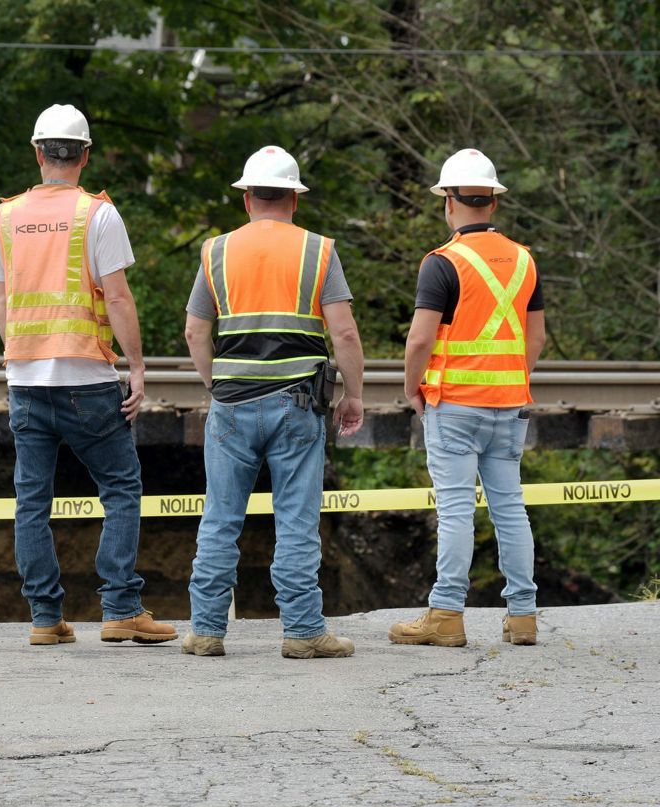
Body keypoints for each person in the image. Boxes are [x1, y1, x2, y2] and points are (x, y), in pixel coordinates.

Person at [0, 103, 177, 647]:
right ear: (85, 155)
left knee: (31, 502)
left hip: (25, 379)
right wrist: (136, 367)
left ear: (38, 152)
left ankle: (46, 619)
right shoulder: (98, 215)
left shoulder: (6, 217)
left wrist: (21, 352)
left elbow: (0, 298)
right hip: (88, 378)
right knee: (120, 487)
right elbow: (116, 295)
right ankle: (120, 609)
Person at [182, 146, 365, 659]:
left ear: (246, 199)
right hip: (298, 404)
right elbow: (345, 334)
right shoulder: (318, 251)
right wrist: (354, 396)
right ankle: (304, 631)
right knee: (296, 519)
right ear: (294, 199)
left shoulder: (215, 252)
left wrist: (215, 385)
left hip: (231, 406)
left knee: (220, 518)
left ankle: (206, 630)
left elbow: (196, 331)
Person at [389, 148, 545, 648]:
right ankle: (523, 616)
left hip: (454, 403)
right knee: (510, 506)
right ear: (493, 202)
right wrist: (508, 379)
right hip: (509, 405)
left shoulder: (443, 263)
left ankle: (446, 615)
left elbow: (419, 340)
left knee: (456, 509)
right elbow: (534, 339)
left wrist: (413, 387)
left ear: (449, 202)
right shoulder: (525, 260)